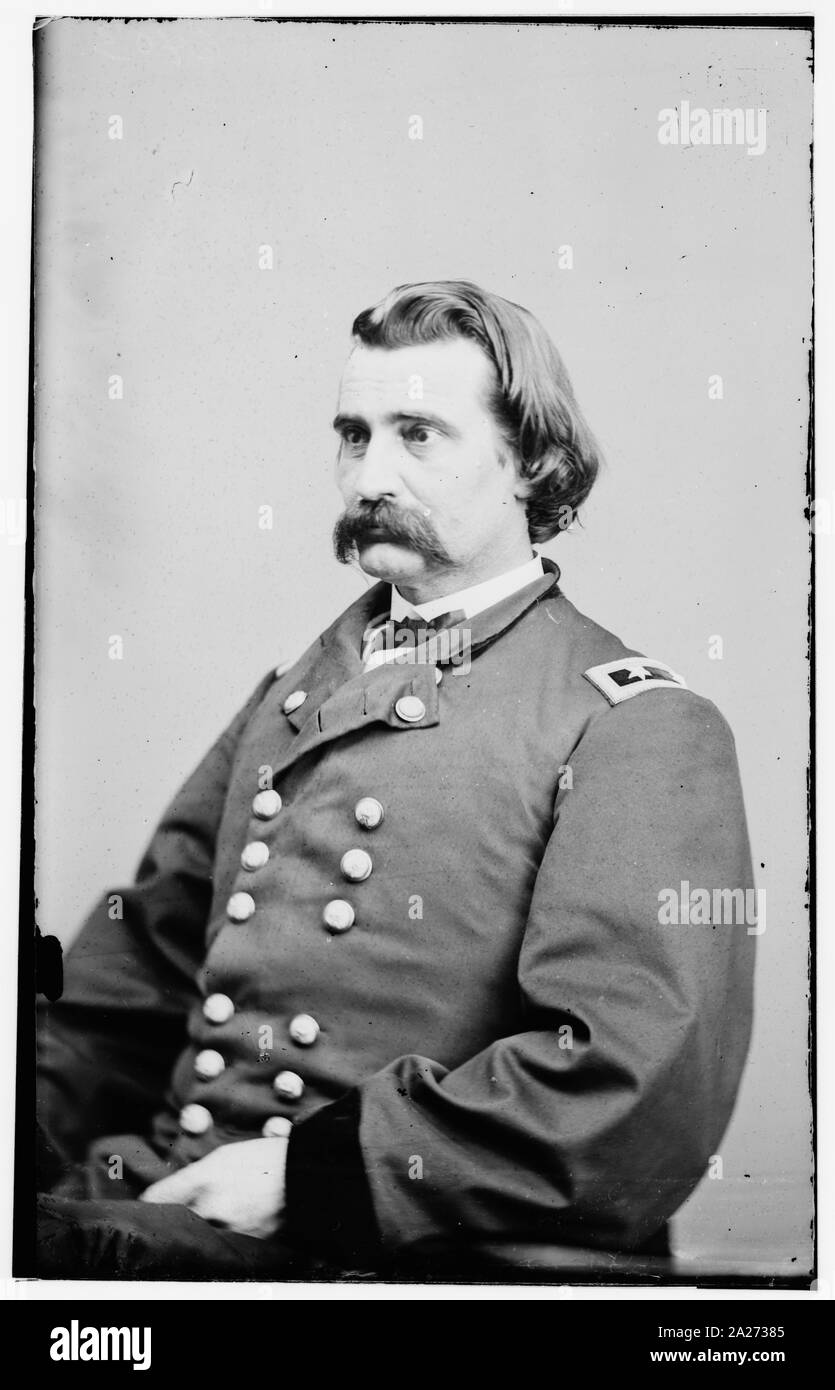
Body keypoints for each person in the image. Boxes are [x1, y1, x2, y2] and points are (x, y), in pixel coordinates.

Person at [33, 280, 756, 1281]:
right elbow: (128, 985)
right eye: (352, 434)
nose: (369, 474)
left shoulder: (630, 725)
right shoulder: (289, 697)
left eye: (417, 435)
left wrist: (309, 1176)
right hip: (179, 1203)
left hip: (394, 1253)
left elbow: (632, 1086)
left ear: (529, 462)